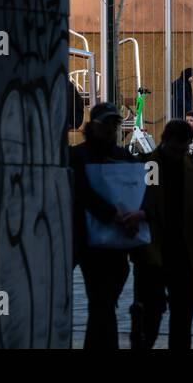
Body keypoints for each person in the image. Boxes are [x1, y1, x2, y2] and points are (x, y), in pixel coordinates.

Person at [70, 102, 145, 349]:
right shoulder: (78, 156)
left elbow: (139, 192)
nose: (112, 129)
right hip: (89, 242)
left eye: (115, 124)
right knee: (102, 302)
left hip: (117, 240)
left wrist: (135, 216)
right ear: (94, 126)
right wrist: (114, 214)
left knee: (103, 303)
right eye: (108, 124)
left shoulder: (123, 156)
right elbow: (81, 192)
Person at [130, 119, 193, 349]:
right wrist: (145, 213)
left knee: (182, 320)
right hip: (153, 253)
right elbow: (150, 200)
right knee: (151, 318)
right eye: (176, 148)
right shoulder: (150, 165)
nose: (179, 153)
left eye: (183, 149)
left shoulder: (192, 169)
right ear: (165, 141)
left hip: (183, 253)